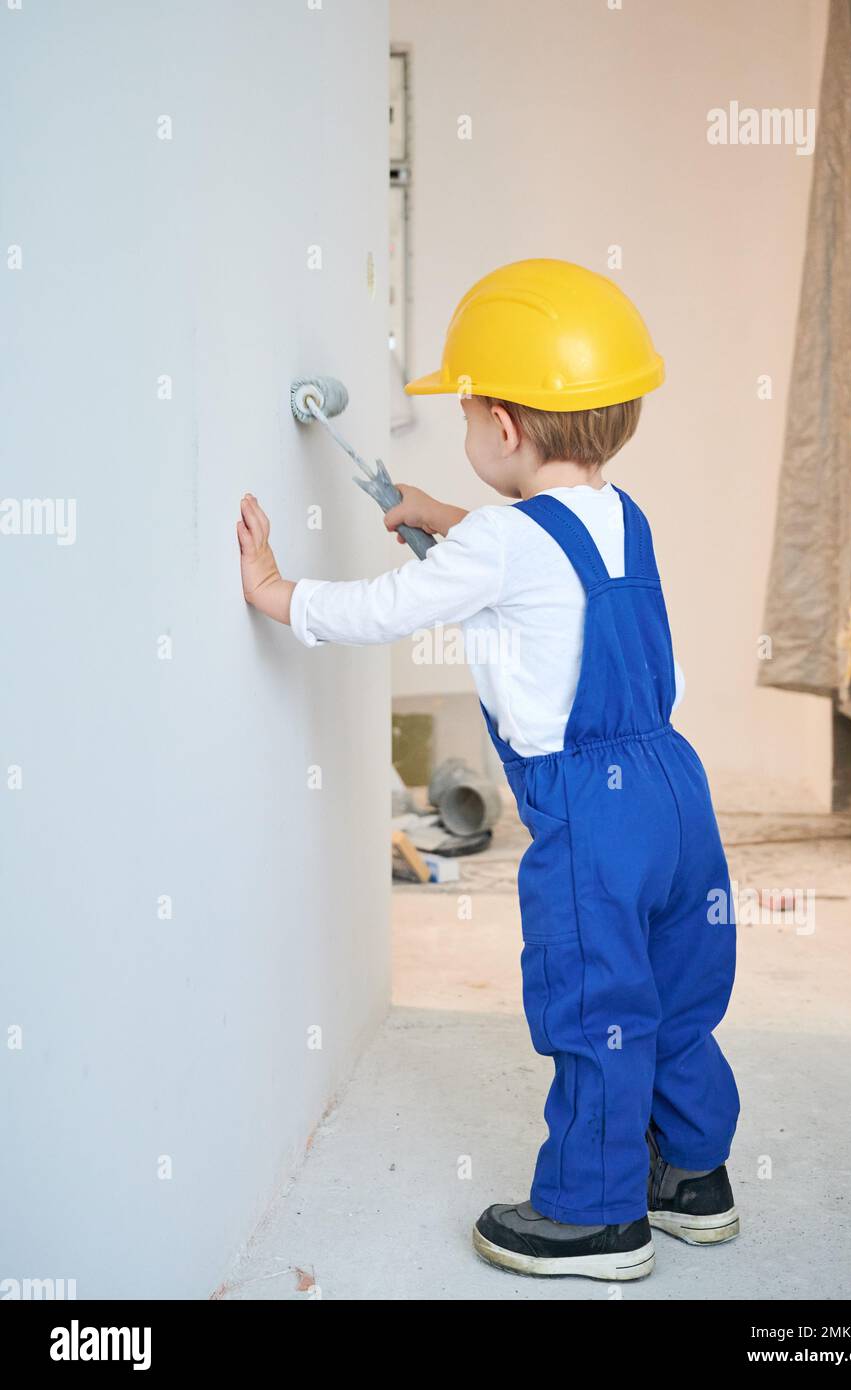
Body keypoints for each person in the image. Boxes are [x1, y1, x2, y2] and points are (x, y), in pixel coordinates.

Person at [237, 258, 740, 1282]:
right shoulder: (621, 515)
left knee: (593, 1001)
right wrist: (448, 517)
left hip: (590, 822)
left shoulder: (504, 539)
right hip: (675, 793)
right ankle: (691, 1178)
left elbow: (386, 610)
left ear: (502, 428)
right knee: (677, 988)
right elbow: (546, 570)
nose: (465, 432)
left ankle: (596, 1219)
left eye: (465, 412)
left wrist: (279, 590)